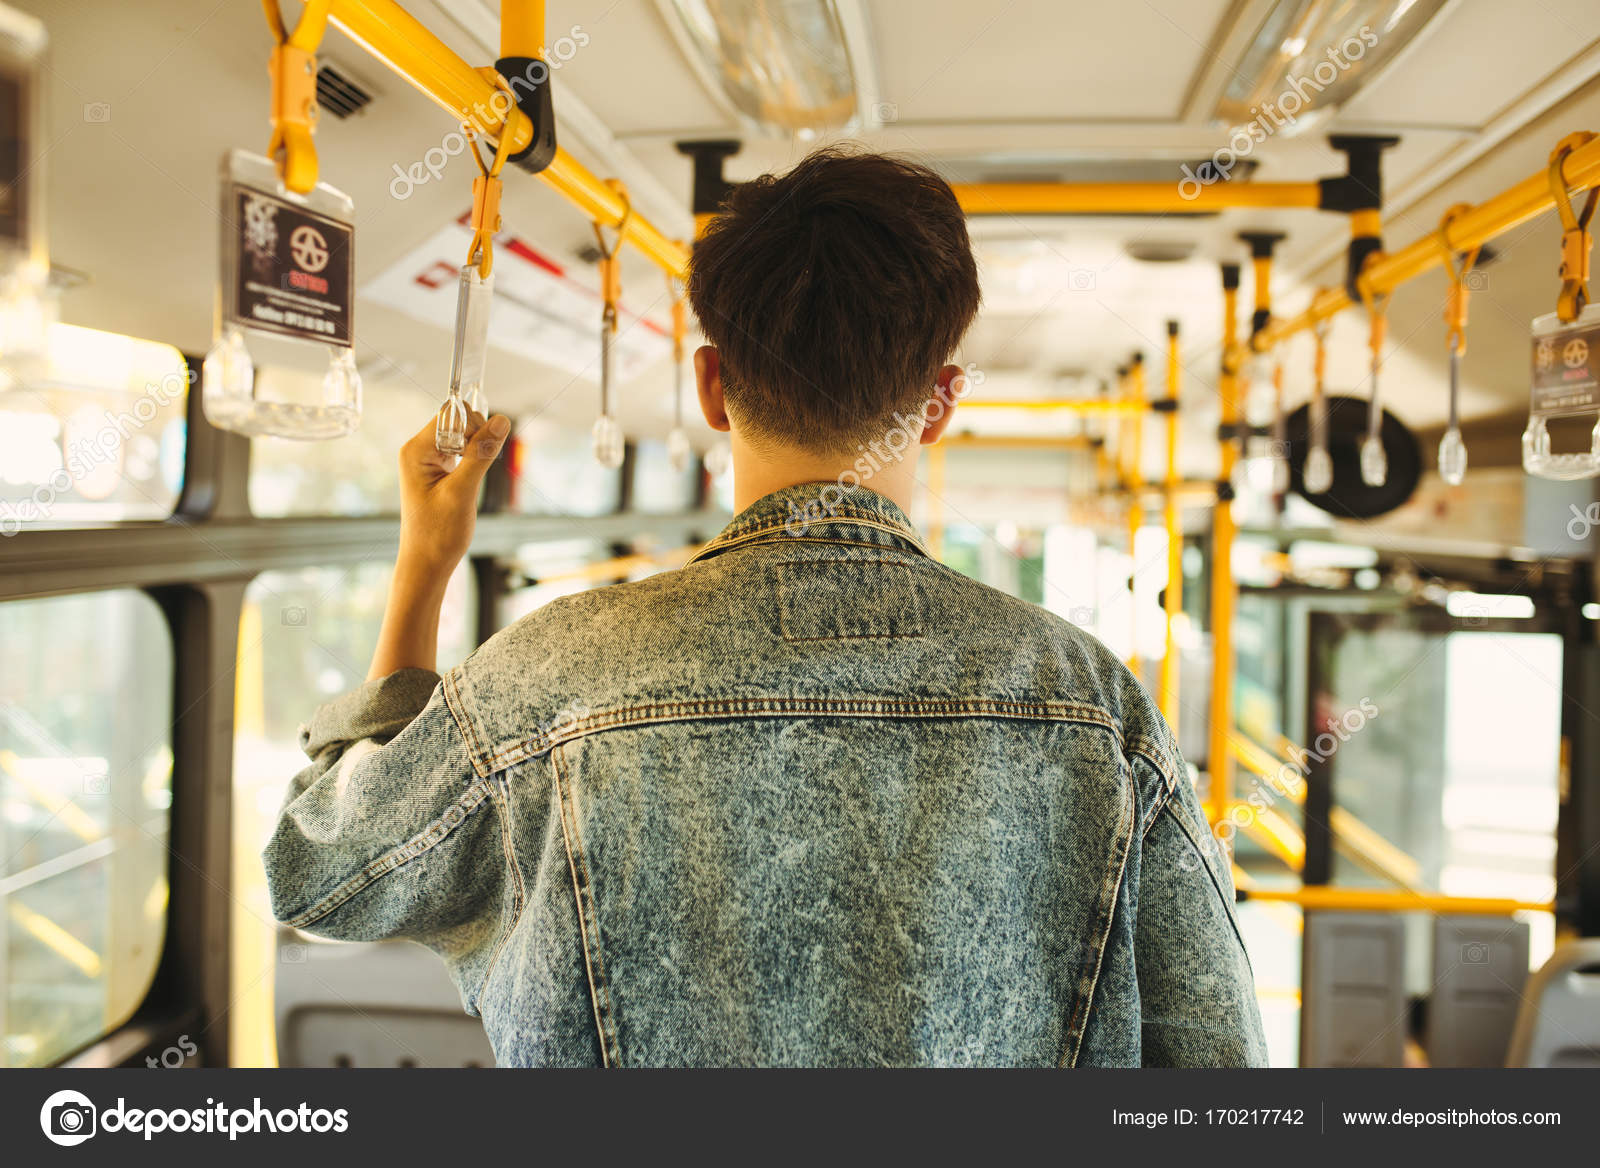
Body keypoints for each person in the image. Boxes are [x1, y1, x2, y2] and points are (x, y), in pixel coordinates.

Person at [263, 147, 1267, 1068]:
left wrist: (425, 567)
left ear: (709, 383)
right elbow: (1216, 1060)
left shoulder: (551, 674)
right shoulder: (1094, 705)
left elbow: (321, 876)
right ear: (942, 401)